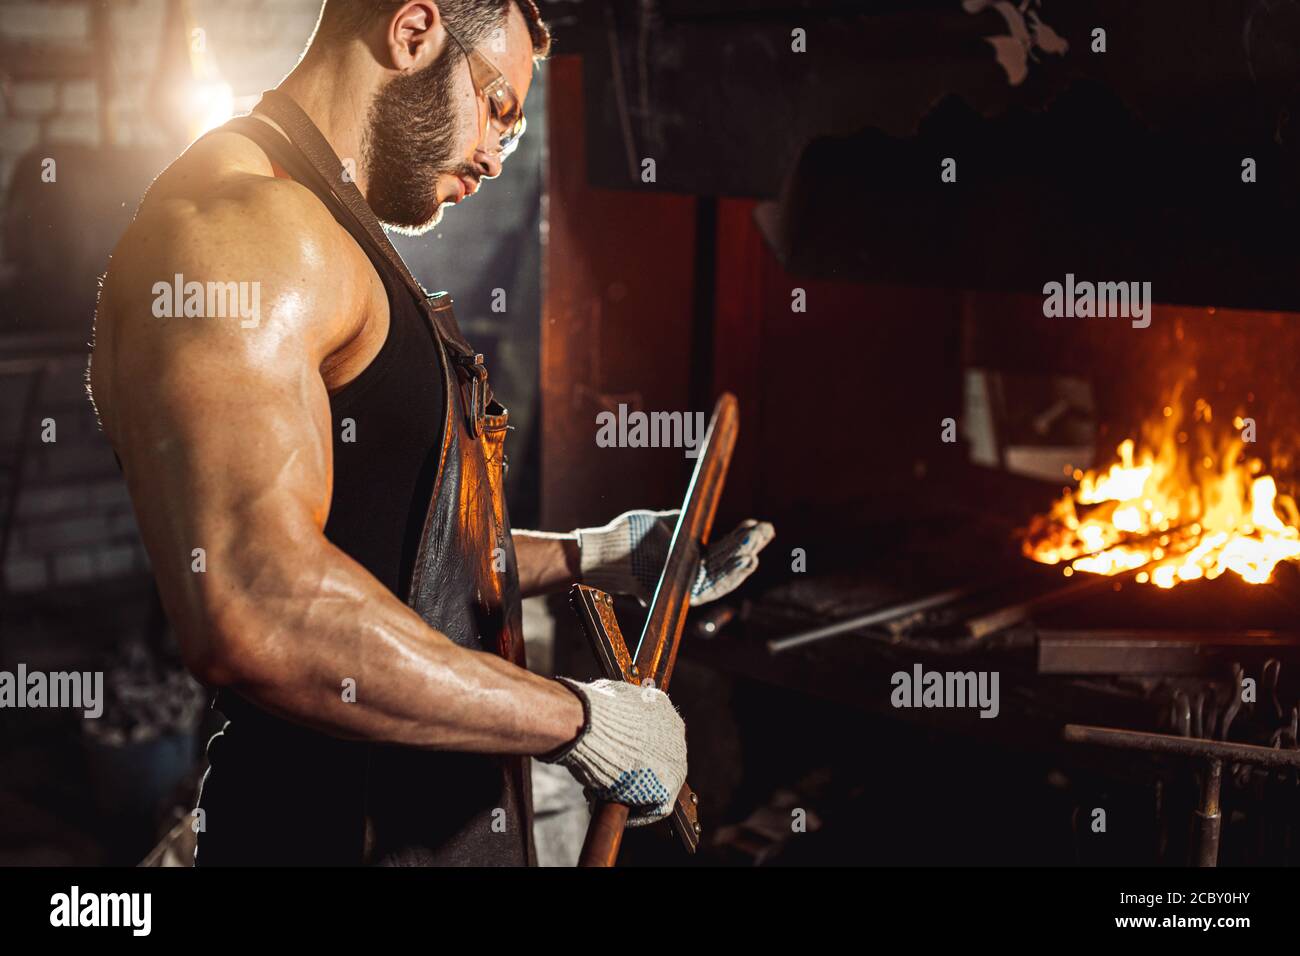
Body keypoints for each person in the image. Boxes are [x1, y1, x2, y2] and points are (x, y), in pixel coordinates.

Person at [88, 0, 772, 865]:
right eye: (499, 109)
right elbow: (260, 607)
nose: (495, 155)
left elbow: (397, 549)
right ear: (413, 34)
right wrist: (580, 721)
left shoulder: (321, 222)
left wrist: (594, 553)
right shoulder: (245, 230)